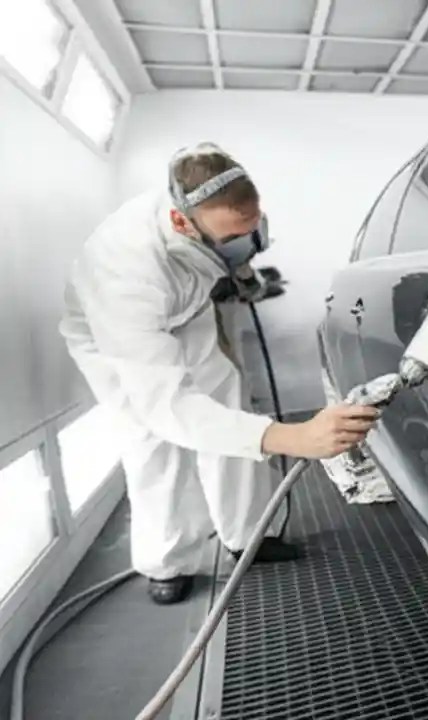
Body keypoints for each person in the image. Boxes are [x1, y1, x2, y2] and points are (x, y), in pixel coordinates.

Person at [59, 142, 378, 604]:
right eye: (233, 237)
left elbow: (227, 243)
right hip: (113, 338)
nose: (245, 240)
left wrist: (242, 271)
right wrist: (294, 438)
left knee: (226, 399)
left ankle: (250, 535)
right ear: (180, 222)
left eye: (252, 228)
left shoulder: (210, 210)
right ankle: (169, 560)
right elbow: (168, 406)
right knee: (156, 436)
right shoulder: (125, 274)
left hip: (185, 313)